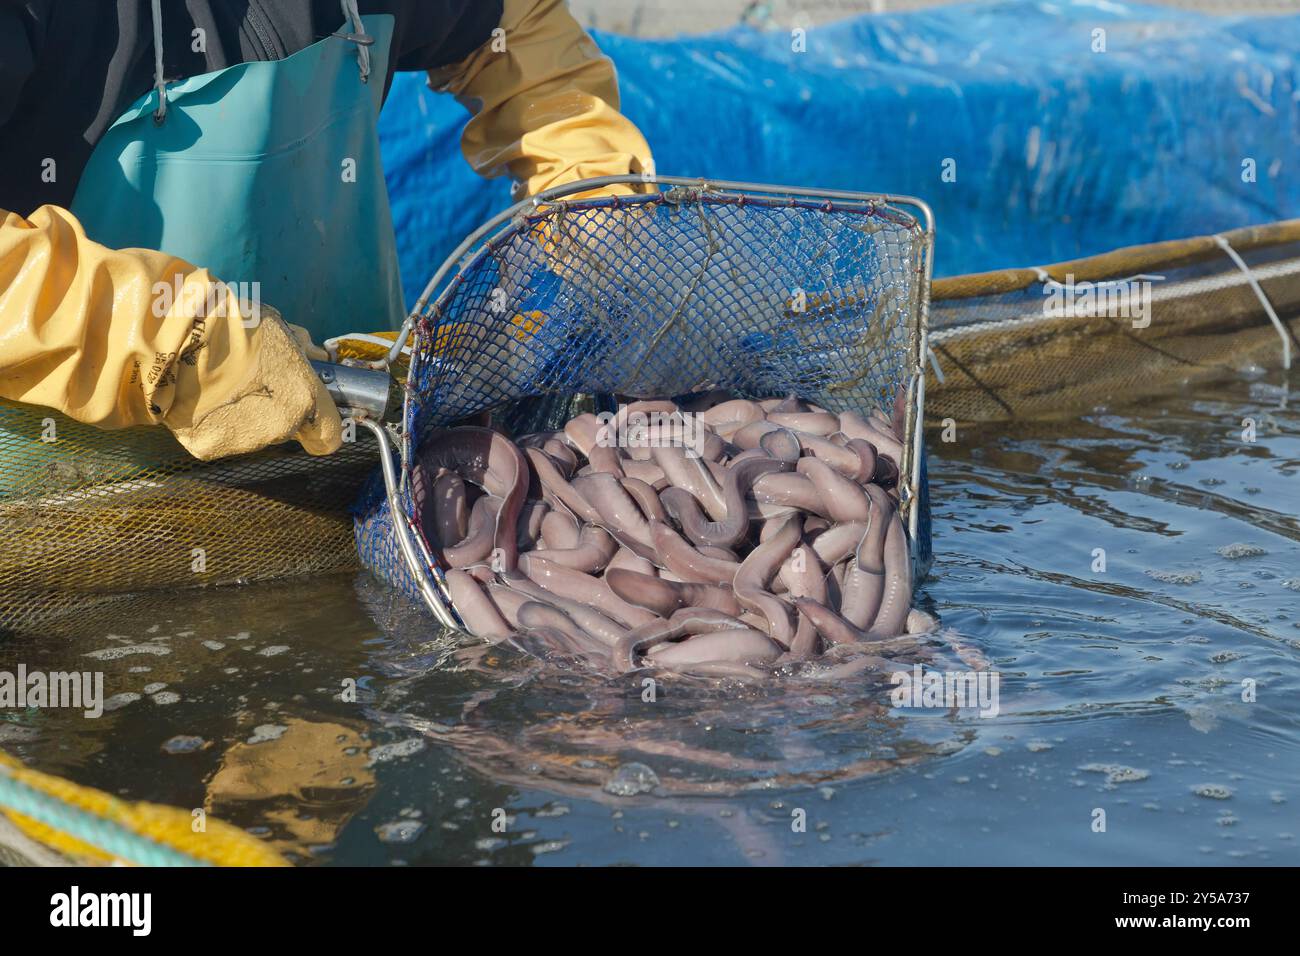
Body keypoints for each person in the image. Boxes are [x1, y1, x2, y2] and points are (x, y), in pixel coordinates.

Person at [0, 0, 653, 460]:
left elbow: (520, 37)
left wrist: (590, 222)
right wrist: (175, 340)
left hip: (345, 427)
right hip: (58, 466)